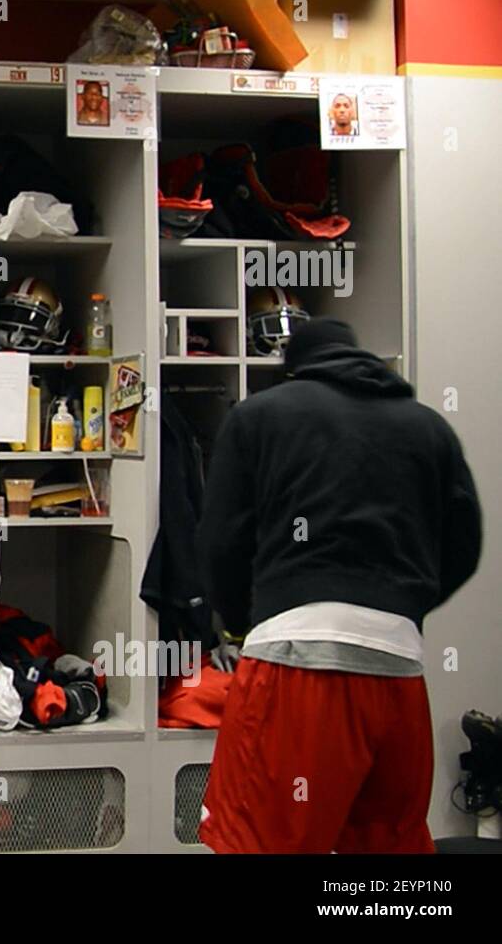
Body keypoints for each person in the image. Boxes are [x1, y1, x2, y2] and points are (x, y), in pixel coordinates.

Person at [196, 318, 481, 853]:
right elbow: (464, 547)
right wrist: (398, 602)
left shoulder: (258, 416)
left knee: (268, 843)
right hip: (397, 667)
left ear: (294, 367)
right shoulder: (428, 427)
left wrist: (241, 620)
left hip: (296, 659)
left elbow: (220, 543)